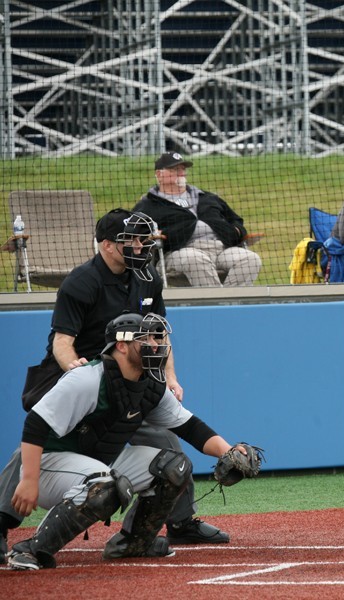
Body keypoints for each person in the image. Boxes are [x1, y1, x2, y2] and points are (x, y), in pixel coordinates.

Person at [0, 210, 228, 566]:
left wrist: (168, 377)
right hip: (83, 373)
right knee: (46, 440)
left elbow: (158, 331)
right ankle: (7, 527)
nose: (140, 246)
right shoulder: (82, 281)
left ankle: (177, 524)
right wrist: (77, 371)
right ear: (107, 245)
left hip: (132, 375)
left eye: (143, 239)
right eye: (131, 241)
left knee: (169, 452)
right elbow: (62, 340)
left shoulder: (148, 276)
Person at [6, 313, 248, 570]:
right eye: (145, 338)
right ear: (121, 345)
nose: (155, 344)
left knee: (173, 466)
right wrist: (29, 479)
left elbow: (190, 427)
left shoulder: (150, 384)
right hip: (47, 468)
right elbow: (36, 422)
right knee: (105, 484)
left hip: (97, 466)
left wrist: (229, 451)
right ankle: (31, 550)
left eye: (156, 338)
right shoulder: (88, 378)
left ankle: (133, 544)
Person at [133, 151, 261, 287]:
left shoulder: (207, 197)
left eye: (183, 169)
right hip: (179, 252)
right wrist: (152, 236)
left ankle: (231, 303)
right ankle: (215, 305)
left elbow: (236, 220)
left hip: (221, 248)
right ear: (159, 175)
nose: (181, 173)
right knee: (195, 259)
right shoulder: (149, 204)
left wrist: (236, 231)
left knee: (250, 259)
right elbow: (134, 232)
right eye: (175, 169)